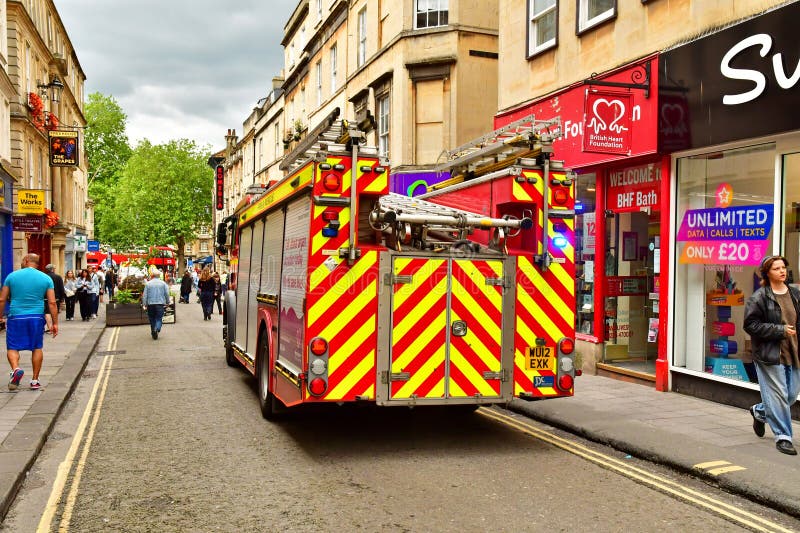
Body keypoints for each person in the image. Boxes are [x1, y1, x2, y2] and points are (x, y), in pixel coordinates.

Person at [743, 255, 800, 456]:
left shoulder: (795, 294)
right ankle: (783, 437)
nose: (782, 271)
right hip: (770, 355)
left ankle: (759, 412)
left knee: (791, 395)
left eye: (783, 267)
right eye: (776, 268)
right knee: (779, 396)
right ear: (767, 273)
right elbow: (750, 325)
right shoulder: (759, 297)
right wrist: (779, 330)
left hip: (793, 352)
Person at [0, 254, 58, 390]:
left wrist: (0, 316)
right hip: (37, 317)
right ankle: (35, 380)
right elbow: (52, 302)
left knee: (12, 347)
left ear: (26, 261)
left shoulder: (12, 277)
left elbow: (2, 299)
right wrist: (54, 323)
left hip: (16, 316)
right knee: (36, 347)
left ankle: (16, 369)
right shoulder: (46, 278)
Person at [141, 269, 171, 340]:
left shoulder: (148, 284)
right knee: (159, 318)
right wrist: (168, 302)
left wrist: (144, 304)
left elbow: (145, 295)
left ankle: (153, 332)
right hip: (160, 304)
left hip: (150, 304)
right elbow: (167, 294)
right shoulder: (163, 283)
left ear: (152, 276)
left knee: (152, 318)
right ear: (159, 275)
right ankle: (156, 329)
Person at [44, 264, 65, 333]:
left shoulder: (44, 277)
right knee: (54, 312)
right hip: (56, 298)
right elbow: (61, 288)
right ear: (53, 269)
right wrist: (62, 298)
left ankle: (49, 327)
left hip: (45, 298)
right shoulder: (58, 277)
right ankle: (53, 326)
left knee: (47, 313)